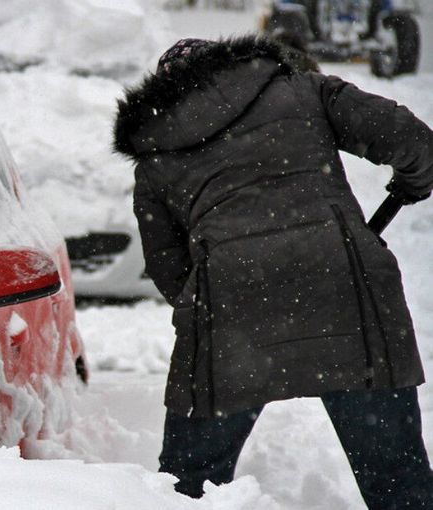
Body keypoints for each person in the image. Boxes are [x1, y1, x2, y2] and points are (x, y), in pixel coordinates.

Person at [112, 36, 433, 507]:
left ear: (167, 91)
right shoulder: (303, 90)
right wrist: (413, 184)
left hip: (230, 312)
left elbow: (168, 266)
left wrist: (219, 297)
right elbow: (413, 141)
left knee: (187, 486)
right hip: (346, 292)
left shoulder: (156, 154)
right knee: (396, 475)